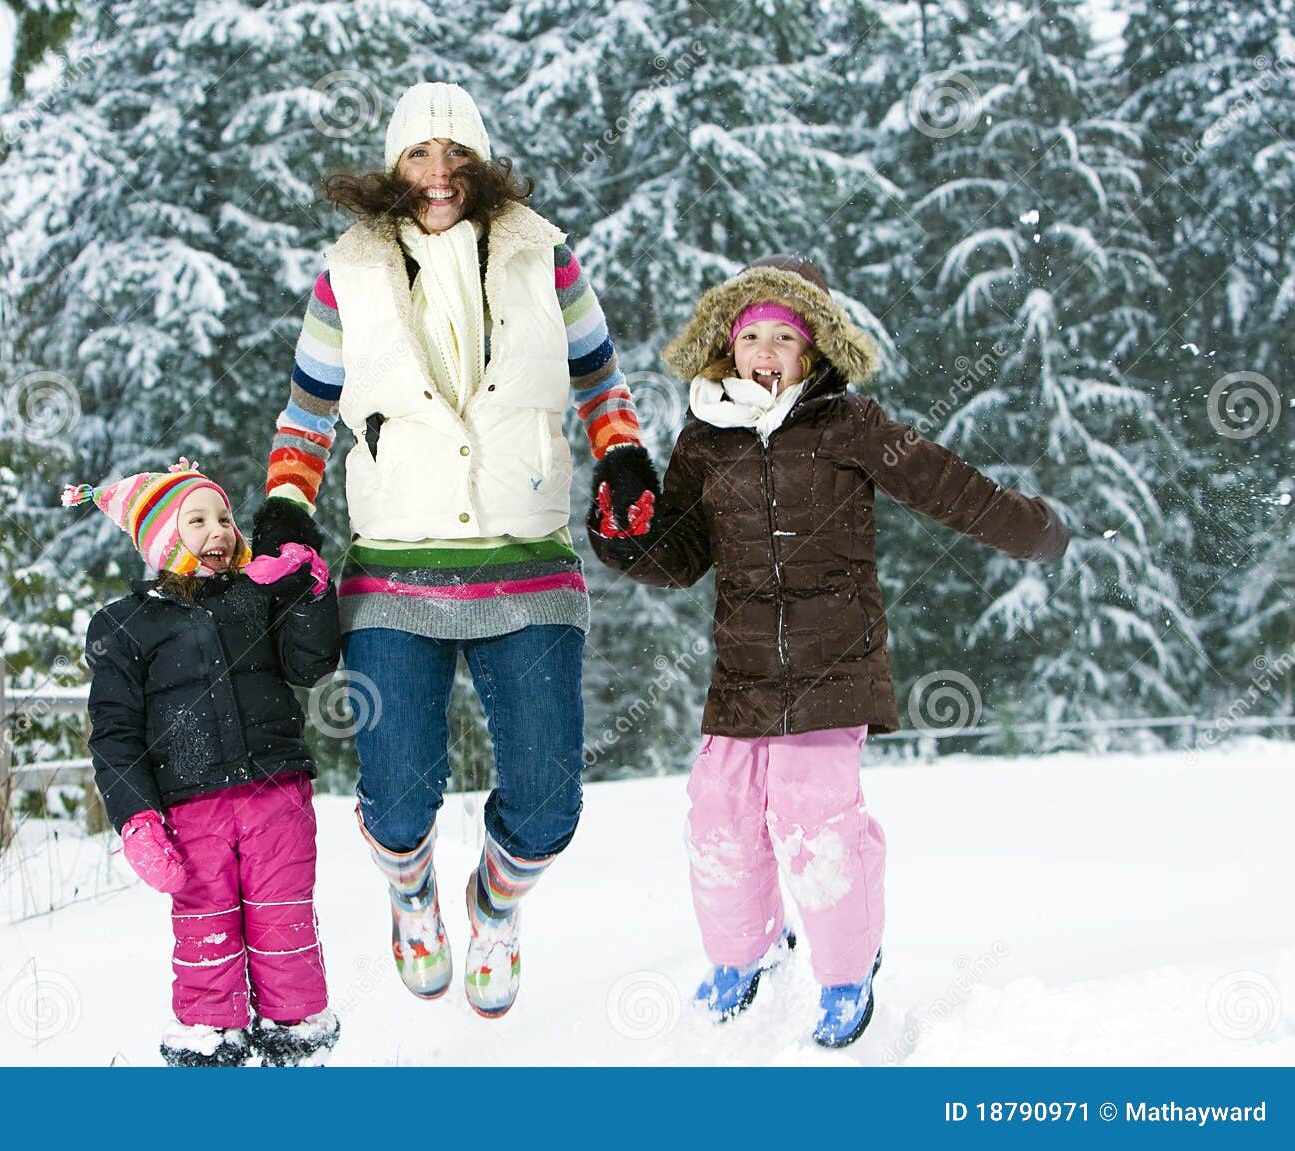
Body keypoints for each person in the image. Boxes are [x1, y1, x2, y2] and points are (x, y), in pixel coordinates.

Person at [591, 256, 1070, 1047]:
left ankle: (847, 968)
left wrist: (1037, 529)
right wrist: (624, 531)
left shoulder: (849, 424)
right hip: (742, 674)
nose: (767, 350)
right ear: (729, 347)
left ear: (812, 351)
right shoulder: (706, 440)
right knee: (719, 815)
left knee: (816, 820)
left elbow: (948, 486)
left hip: (834, 666)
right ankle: (744, 953)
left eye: (786, 335)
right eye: (753, 336)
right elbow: (679, 557)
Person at [255, 82, 659, 1018]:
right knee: (397, 803)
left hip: (529, 561)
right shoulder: (346, 274)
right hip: (395, 570)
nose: (439, 176)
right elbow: (309, 412)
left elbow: (601, 378)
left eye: (456, 156)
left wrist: (626, 455)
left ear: (482, 165)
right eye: (418, 157)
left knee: (551, 805)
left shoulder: (544, 255)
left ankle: (496, 906)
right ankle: (410, 895)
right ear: (392, 169)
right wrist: (284, 505)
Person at [68, 456, 343, 1065]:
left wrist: (307, 586)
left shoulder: (257, 596)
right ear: (165, 537)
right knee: (205, 925)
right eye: (197, 520)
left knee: (282, 918)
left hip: (276, 793)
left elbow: (310, 664)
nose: (219, 530)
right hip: (188, 811)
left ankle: (298, 1039)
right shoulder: (126, 626)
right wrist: (136, 818)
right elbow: (114, 733)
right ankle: (210, 1040)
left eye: (223, 517)